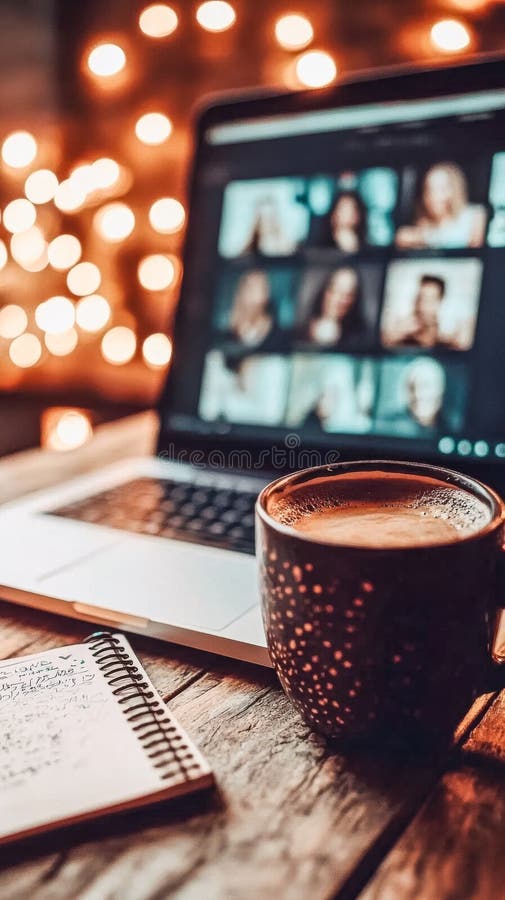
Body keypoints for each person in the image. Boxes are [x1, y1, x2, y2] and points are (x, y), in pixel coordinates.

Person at [396, 162, 487, 249]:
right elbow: (402, 237)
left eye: (441, 189)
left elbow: (475, 246)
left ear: (454, 189)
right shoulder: (424, 225)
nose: (434, 196)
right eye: (429, 189)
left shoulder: (475, 214)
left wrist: (426, 238)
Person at [382, 273, 475, 350]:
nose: (423, 305)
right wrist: (396, 334)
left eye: (430, 300)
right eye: (420, 298)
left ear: (440, 302)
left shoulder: (449, 341)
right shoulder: (402, 336)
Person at [306, 266, 366, 348]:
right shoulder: (303, 330)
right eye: (335, 290)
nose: (340, 300)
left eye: (348, 295)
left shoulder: (361, 340)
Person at [227, 270, 283, 352]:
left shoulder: (276, 334)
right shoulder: (230, 331)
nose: (252, 295)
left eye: (258, 288)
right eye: (249, 288)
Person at [404, 358, 446, 430]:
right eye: (412, 387)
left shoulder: (450, 428)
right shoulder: (391, 425)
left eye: (425, 385)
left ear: (439, 390)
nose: (417, 394)